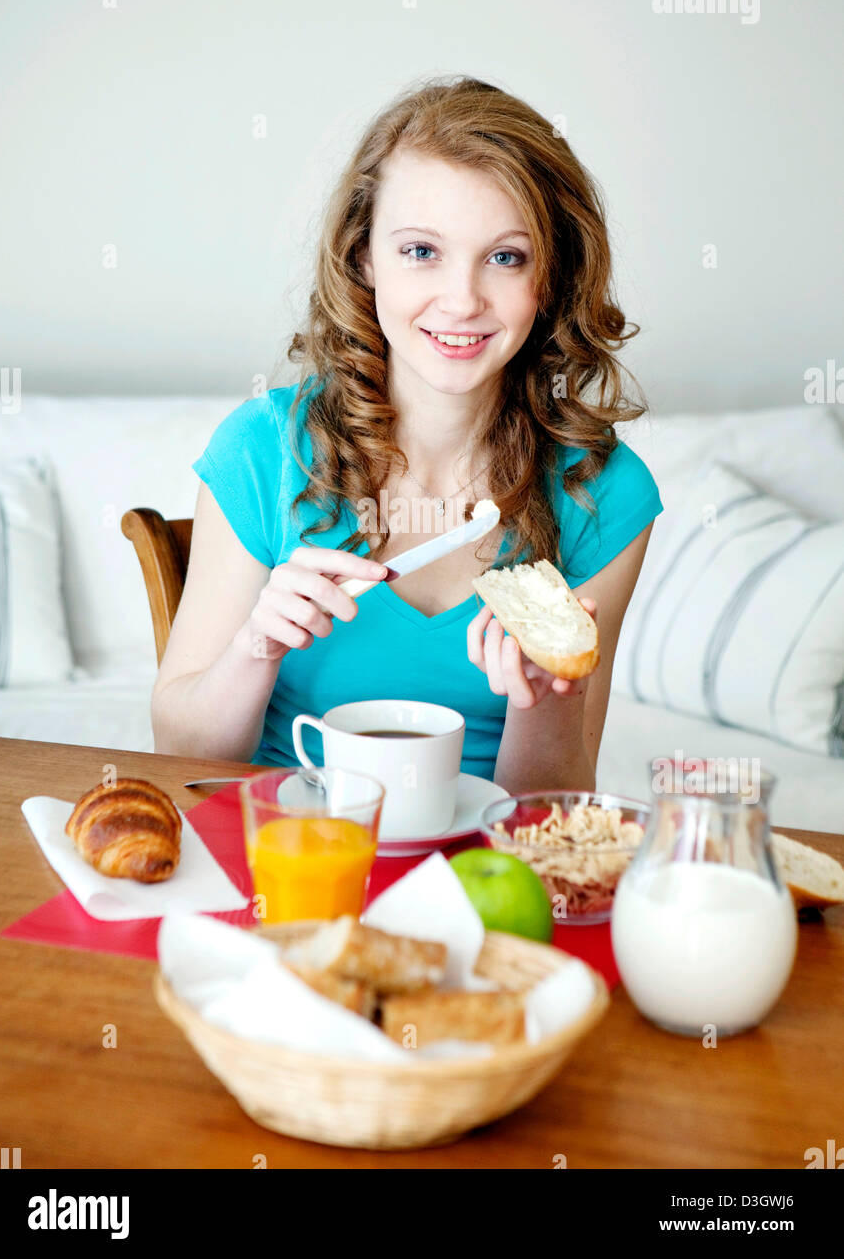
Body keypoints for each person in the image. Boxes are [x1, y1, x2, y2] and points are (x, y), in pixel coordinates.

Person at [152, 75, 663, 791]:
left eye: (506, 257)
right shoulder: (261, 451)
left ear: (551, 276)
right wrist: (255, 648)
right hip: (289, 864)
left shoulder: (604, 494)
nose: (462, 301)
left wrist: (547, 698)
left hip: (482, 876)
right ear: (364, 257)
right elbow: (179, 750)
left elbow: (551, 808)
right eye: (421, 251)